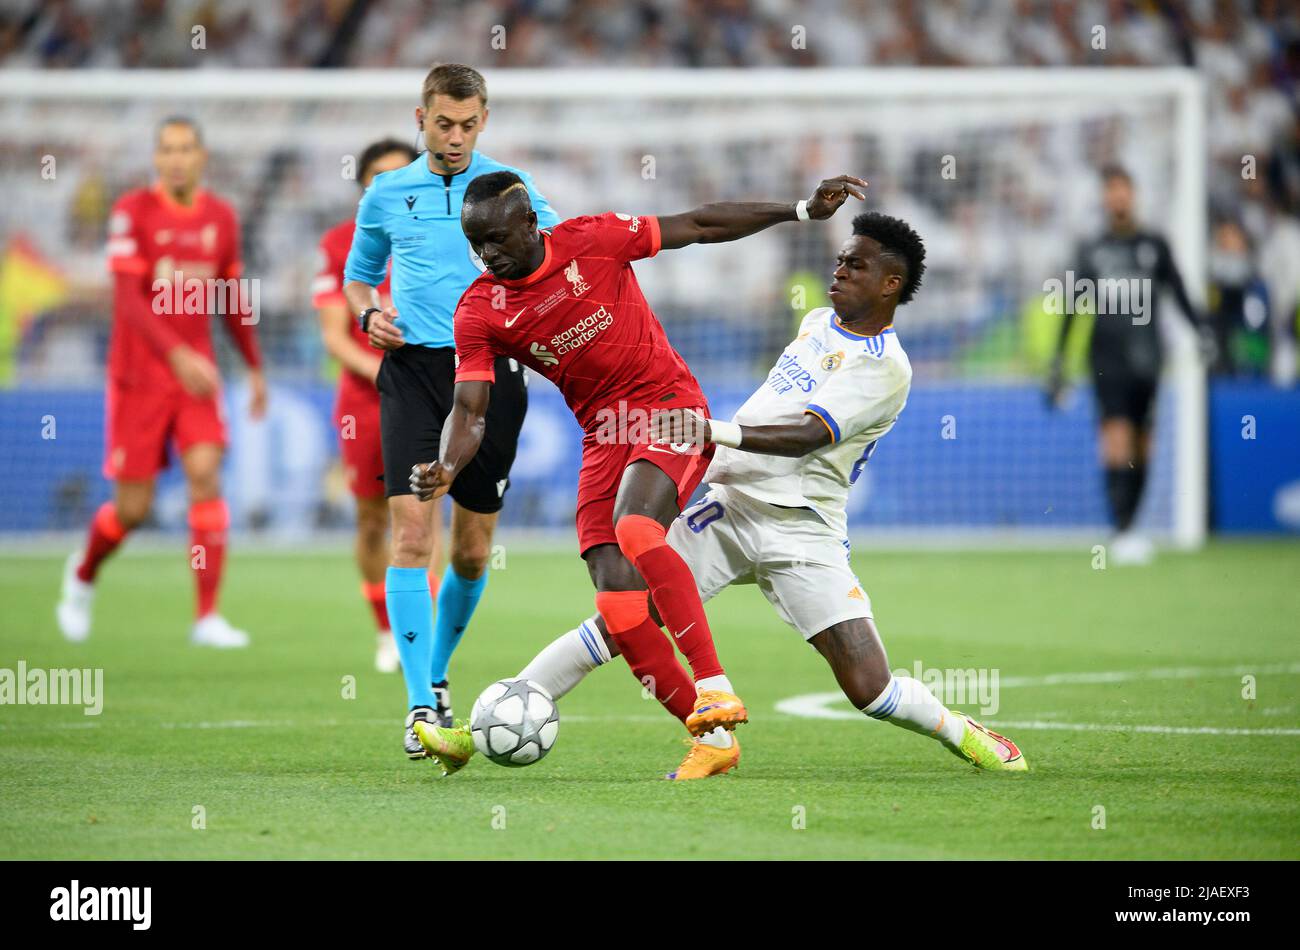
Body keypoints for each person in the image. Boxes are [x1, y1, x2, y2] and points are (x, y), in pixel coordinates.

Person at [416, 212, 1028, 779]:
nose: (838, 271)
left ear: (892, 284)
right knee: (619, 618)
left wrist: (713, 430)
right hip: (729, 504)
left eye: (856, 265)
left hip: (803, 530)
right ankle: (487, 728)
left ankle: (960, 732)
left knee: (872, 691)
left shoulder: (886, 367)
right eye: (840, 260)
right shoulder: (816, 323)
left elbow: (808, 435)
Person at [411, 170, 871, 776]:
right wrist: (446, 466)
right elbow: (469, 410)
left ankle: (712, 683)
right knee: (620, 603)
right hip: (603, 435)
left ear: (530, 224)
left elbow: (700, 224)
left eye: (496, 240)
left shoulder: (594, 238)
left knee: (636, 528)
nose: (486, 255)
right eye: (477, 244)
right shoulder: (480, 311)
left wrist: (803, 209)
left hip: (668, 408)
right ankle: (712, 739)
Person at [341, 64, 559, 757]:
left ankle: (436, 675)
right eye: (443, 123)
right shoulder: (386, 192)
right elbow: (356, 278)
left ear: (483, 121)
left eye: (468, 124)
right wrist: (370, 313)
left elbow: (558, 260)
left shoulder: (511, 190)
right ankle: (419, 706)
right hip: (412, 374)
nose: (456, 137)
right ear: (421, 118)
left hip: (491, 374)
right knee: (411, 538)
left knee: (472, 550)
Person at [57, 116, 265, 648]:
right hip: (139, 378)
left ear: (202, 156)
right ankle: (83, 574)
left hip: (196, 377)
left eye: (185, 149)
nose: (176, 158)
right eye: (167, 149)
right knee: (133, 510)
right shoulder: (131, 212)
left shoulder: (221, 216)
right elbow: (128, 298)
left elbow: (232, 301)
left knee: (205, 476)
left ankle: (207, 615)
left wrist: (255, 367)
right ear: (156, 157)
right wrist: (175, 354)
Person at [314, 137, 441, 674]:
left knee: (424, 517)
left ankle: (424, 634)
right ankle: (386, 630)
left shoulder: (435, 235)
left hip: (428, 395)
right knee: (371, 521)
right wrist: (387, 372)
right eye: (377, 178)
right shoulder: (342, 243)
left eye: (400, 174)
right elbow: (335, 335)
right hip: (364, 403)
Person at [1047, 165, 1206, 565]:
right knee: (1115, 437)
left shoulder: (1154, 244)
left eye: (1123, 190)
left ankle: (1133, 525)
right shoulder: (1093, 249)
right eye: (1111, 191)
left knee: (1143, 442)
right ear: (1104, 198)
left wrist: (1202, 331)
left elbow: (1179, 292)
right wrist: (1059, 361)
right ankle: (1122, 529)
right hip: (1106, 359)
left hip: (1149, 358)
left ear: (1133, 195)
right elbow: (1072, 307)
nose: (1118, 198)